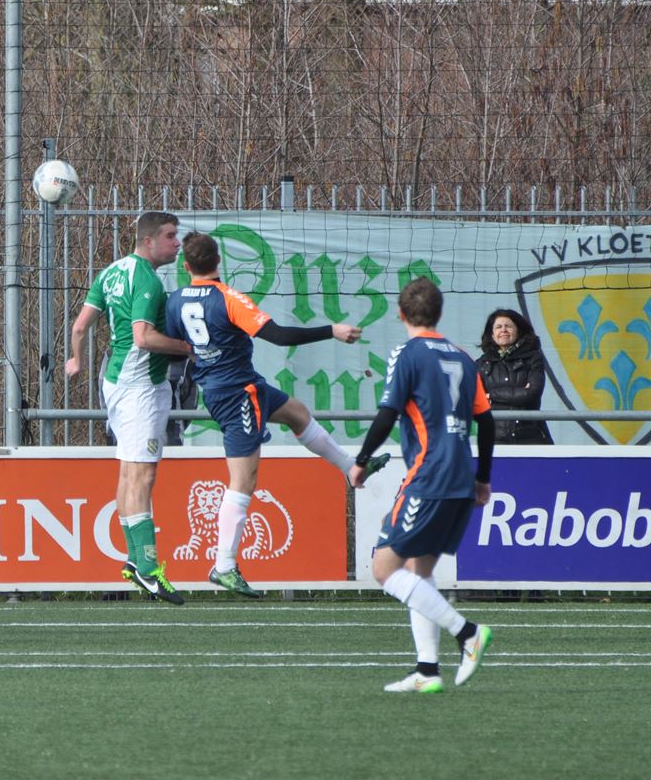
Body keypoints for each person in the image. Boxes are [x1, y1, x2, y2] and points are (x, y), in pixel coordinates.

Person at [163, 232, 388, 598]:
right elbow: (279, 336)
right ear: (219, 261)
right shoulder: (228, 298)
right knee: (243, 480)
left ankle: (350, 468)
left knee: (297, 413)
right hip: (237, 393)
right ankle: (223, 565)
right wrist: (332, 330)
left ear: (185, 267)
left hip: (234, 385)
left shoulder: (175, 300)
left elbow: (179, 346)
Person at [349, 277, 496, 693]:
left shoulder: (407, 353)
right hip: (461, 473)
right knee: (420, 569)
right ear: (440, 313)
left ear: (400, 313)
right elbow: (485, 422)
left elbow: (387, 413)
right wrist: (483, 478)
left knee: (383, 566)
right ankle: (427, 671)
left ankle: (466, 632)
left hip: (428, 474)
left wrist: (360, 462)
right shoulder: (464, 357)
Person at [65, 211, 194, 605]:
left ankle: (134, 561)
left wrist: (77, 360)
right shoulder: (148, 280)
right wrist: (191, 348)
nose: (177, 243)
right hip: (140, 388)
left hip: (116, 384)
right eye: (171, 236)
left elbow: (80, 326)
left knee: (127, 472)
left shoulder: (111, 271)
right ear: (148, 241)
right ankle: (149, 567)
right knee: (142, 476)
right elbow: (143, 338)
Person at [476, 309, 552, 444]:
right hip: (495, 440)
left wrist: (492, 395)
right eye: (498, 327)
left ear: (518, 331)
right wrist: (520, 393)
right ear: (492, 334)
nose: (503, 330)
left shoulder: (533, 358)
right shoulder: (481, 364)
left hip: (530, 437)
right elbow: (476, 399)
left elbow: (532, 394)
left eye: (508, 326)